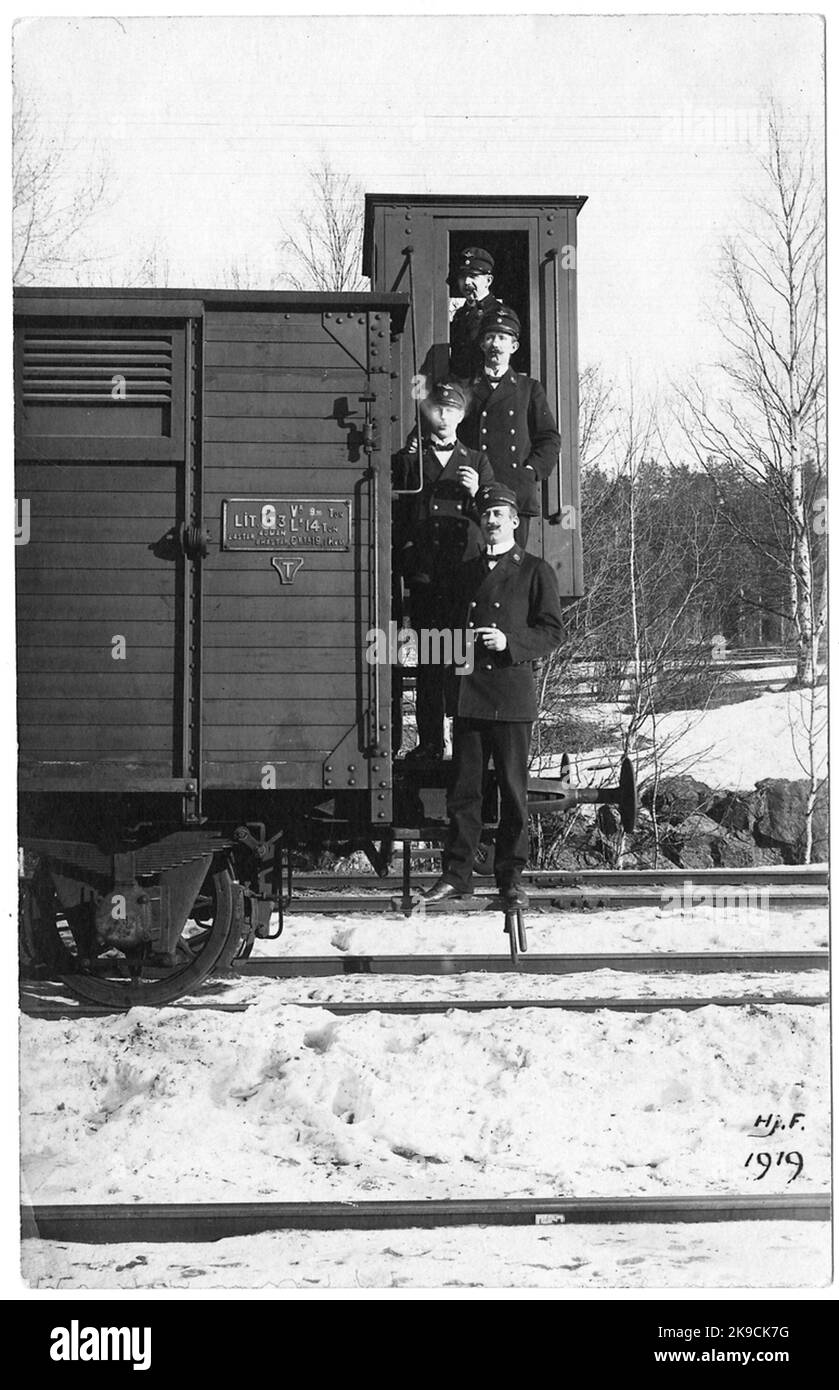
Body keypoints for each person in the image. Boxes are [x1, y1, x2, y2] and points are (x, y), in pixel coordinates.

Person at [424, 483, 564, 907]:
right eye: (485, 515)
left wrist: (510, 643)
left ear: (514, 521)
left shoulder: (534, 570)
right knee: (465, 793)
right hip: (469, 693)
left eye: (499, 515)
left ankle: (510, 878)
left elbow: (553, 631)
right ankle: (456, 875)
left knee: (512, 791)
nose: (490, 521)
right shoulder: (465, 573)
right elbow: (446, 629)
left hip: (510, 692)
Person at [393, 380, 494, 760]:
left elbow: (494, 520)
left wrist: (476, 493)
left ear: (460, 417)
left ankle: (467, 743)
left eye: (451, 411)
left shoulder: (477, 461)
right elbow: (397, 511)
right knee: (431, 662)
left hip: (462, 576)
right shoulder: (410, 460)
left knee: (462, 660)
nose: (444, 417)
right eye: (437, 410)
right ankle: (431, 742)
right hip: (425, 576)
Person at [457, 305, 559, 549]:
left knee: (511, 569)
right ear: (482, 345)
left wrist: (531, 471)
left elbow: (549, 438)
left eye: (503, 338)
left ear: (513, 347)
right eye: (490, 337)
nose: (496, 344)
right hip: (475, 491)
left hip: (514, 492)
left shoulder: (529, 388)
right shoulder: (465, 388)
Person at [448, 247, 504, 382]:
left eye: (473, 276)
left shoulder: (498, 313)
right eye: (462, 276)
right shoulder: (460, 314)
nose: (466, 282)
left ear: (488, 281)